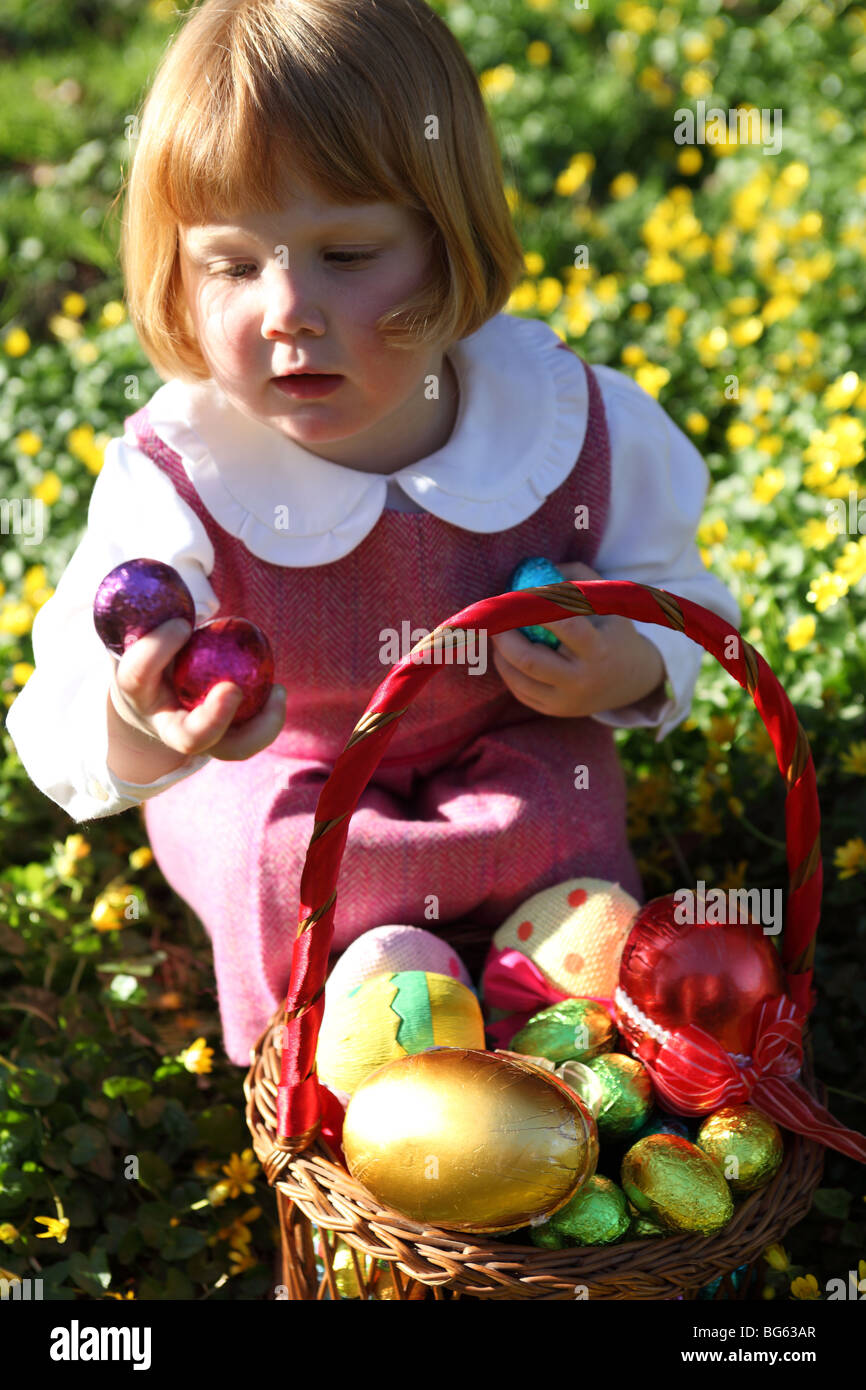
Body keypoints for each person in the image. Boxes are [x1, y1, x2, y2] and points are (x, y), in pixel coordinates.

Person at [6, 0, 739, 1068]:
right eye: (230, 264)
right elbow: (66, 688)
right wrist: (145, 712)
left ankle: (565, 1043)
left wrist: (628, 659)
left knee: (563, 811)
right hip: (295, 767)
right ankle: (350, 1048)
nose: (288, 309)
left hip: (503, 738)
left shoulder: (564, 425)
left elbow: (686, 599)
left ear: (447, 246)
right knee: (276, 847)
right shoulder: (186, 471)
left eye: (347, 253)